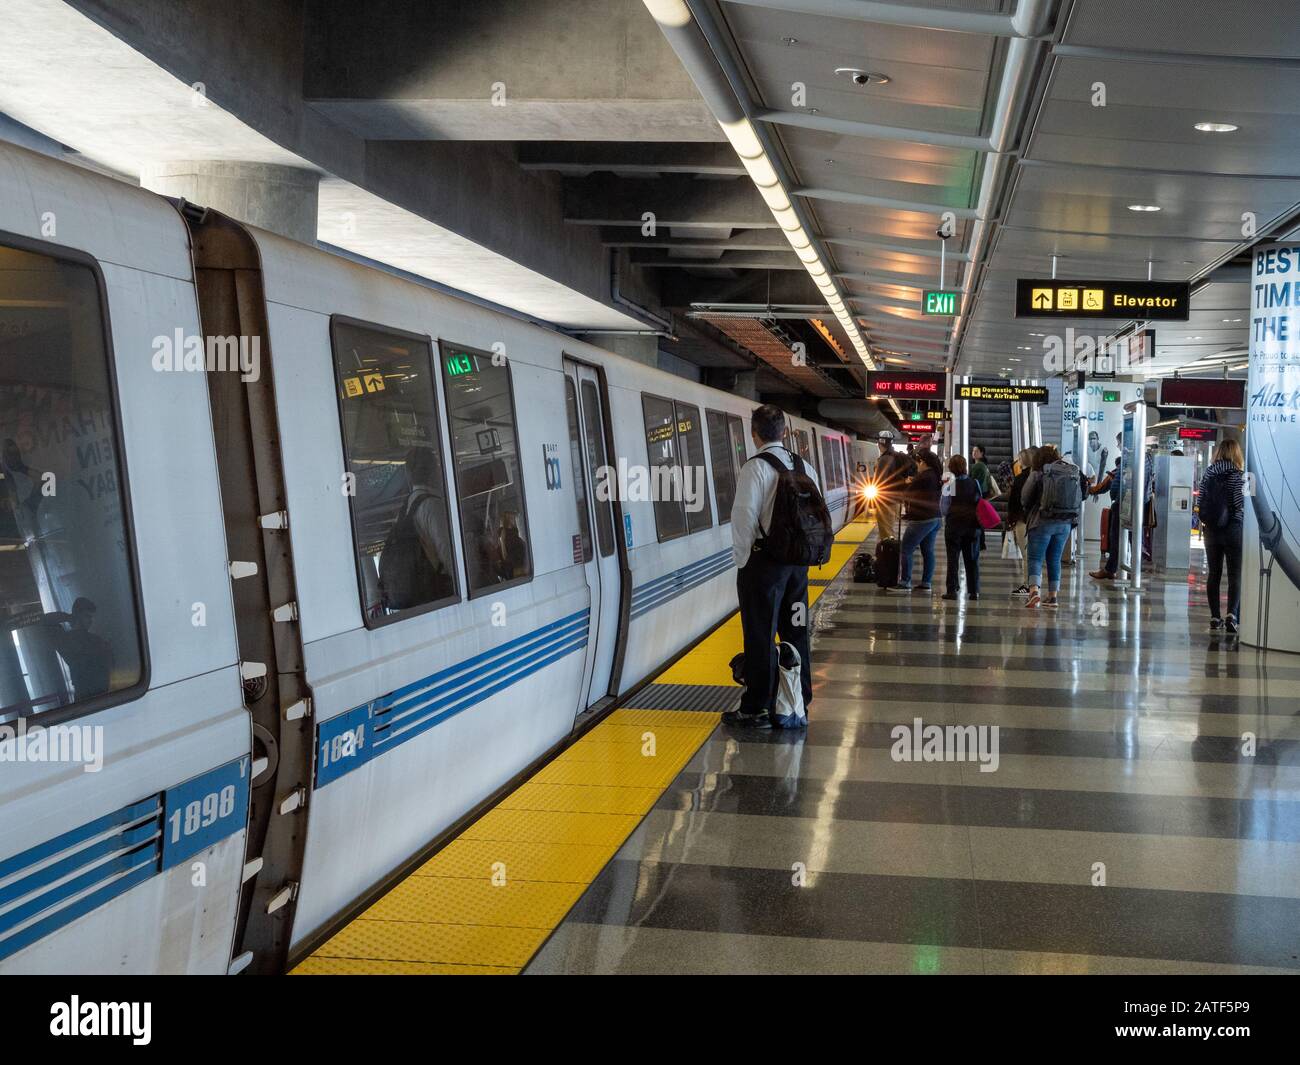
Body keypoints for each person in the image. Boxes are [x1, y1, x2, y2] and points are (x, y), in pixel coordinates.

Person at [725, 404, 819, 728]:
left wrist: (743, 560)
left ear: (755, 434)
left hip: (764, 567)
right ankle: (799, 699)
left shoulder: (756, 467)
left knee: (760, 635)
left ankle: (757, 707)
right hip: (798, 568)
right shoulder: (804, 464)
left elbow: (744, 517)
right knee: (797, 631)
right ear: (784, 432)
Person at [1021, 444, 1081, 609]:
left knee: (1035, 558)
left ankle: (1034, 592)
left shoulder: (1038, 473)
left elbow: (1025, 498)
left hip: (1042, 522)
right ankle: (1053, 597)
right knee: (1054, 559)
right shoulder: (1070, 470)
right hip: (1065, 523)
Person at [1197, 439, 1246, 633]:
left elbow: (1200, 501)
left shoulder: (1209, 472)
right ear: (1236, 454)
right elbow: (1240, 504)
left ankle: (1215, 617)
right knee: (1235, 574)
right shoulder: (1238, 475)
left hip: (1211, 529)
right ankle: (1232, 616)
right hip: (1233, 529)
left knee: (1214, 573)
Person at [41, 598, 113, 702]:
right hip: (94, 694)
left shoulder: (65, 640)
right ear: (78, 616)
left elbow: (46, 621)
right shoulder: (92, 640)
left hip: (90, 695)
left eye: (91, 617)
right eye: (87, 616)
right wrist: (70, 617)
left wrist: (69, 617)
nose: (90, 621)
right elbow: (44, 621)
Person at [896, 447, 943, 594]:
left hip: (921, 519)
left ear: (922, 461)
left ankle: (905, 582)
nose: (917, 466)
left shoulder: (923, 476)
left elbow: (907, 494)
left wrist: (906, 483)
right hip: (935, 518)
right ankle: (926, 583)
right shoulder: (935, 475)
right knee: (928, 551)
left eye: (918, 463)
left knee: (906, 549)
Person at [941, 454, 982, 601]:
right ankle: (973, 591)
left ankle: (952, 590)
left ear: (951, 468)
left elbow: (944, 508)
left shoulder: (948, 484)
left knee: (953, 559)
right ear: (965, 467)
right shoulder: (974, 482)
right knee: (972, 559)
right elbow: (979, 501)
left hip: (954, 526)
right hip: (972, 526)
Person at [1007, 447, 1035, 596]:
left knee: (1026, 555)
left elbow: (1014, 502)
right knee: (1034, 555)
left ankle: (1028, 584)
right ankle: (1036, 585)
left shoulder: (1021, 478)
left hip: (1022, 520)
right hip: (1038, 520)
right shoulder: (1040, 475)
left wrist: (1010, 520)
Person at [871, 431, 909, 540]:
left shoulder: (884, 459)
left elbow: (879, 481)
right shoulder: (895, 456)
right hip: (895, 499)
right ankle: (887, 552)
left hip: (886, 501)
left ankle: (887, 555)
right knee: (889, 529)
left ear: (879, 443)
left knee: (886, 533)